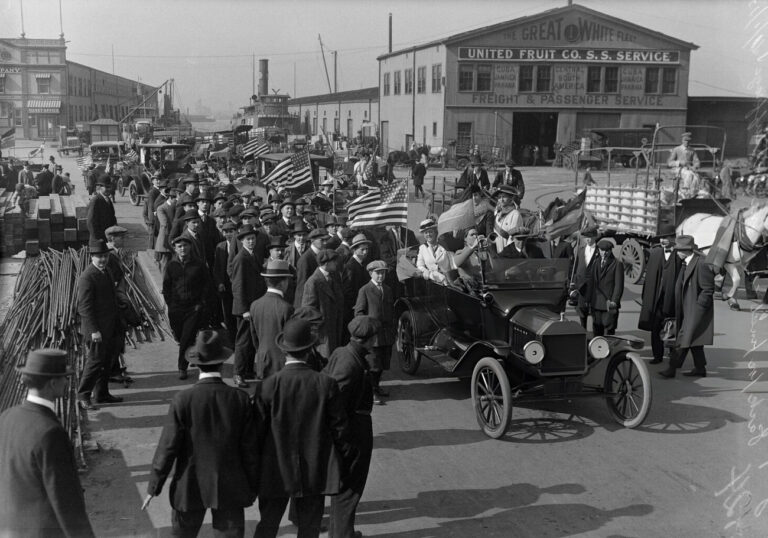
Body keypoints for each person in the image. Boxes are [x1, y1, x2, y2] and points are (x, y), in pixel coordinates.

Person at [143, 330, 259, 537]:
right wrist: (253, 484)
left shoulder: (183, 400)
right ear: (222, 364)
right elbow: (250, 448)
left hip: (189, 486)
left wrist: (154, 487)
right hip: (229, 485)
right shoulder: (240, 399)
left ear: (196, 364)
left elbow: (167, 447)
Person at [253, 318, 355, 538]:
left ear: (284, 351)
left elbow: (256, 433)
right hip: (315, 471)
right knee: (309, 528)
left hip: (275, 470)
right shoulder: (325, 384)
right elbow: (340, 430)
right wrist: (344, 461)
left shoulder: (268, 386)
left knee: (268, 525)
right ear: (310, 350)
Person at [0, 349, 96, 537]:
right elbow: (66, 502)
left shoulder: (7, 417)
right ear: (52, 383)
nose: (67, 382)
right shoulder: (51, 432)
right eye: (64, 378)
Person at [324, 317, 378, 538]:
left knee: (345, 488)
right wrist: (343, 439)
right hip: (354, 432)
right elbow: (335, 402)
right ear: (369, 340)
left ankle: (340, 532)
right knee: (350, 489)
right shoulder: (351, 365)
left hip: (352, 428)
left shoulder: (342, 352)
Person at [660, 235, 715, 378]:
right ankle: (700, 368)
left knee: (683, 338)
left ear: (685, 250)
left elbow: (708, 290)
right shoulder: (686, 262)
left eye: (678, 249)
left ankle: (672, 368)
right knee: (694, 339)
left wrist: (698, 310)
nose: (676, 252)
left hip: (695, 310)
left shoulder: (701, 263)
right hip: (686, 308)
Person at [77, 239, 123, 410]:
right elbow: (84, 308)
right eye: (99, 257)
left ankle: (102, 394)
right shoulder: (88, 277)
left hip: (110, 326)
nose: (103, 259)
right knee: (95, 362)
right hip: (96, 330)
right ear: (92, 257)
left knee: (107, 361)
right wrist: (94, 330)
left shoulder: (107, 271)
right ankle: (83, 395)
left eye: (105, 256)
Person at [163, 235, 211, 380]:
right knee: (179, 335)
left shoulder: (199, 264)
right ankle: (191, 352)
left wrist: (200, 304)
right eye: (179, 246)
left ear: (190, 247)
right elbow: (166, 286)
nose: (183, 249)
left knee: (186, 337)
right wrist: (170, 304)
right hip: (176, 308)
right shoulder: (171, 265)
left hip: (193, 308)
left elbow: (207, 285)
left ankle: (181, 367)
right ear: (175, 249)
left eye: (185, 246)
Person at [230, 224, 267, 387]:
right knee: (243, 341)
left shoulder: (253, 255)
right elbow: (237, 286)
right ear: (242, 241)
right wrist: (244, 310)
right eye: (248, 239)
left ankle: (248, 369)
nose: (251, 241)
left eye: (253, 239)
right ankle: (238, 373)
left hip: (254, 306)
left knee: (252, 340)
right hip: (245, 308)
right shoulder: (241, 258)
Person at [354, 260, 395, 404]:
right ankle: (371, 392)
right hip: (373, 336)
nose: (381, 276)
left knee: (383, 363)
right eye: (378, 273)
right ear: (371, 273)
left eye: (383, 273)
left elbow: (391, 311)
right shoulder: (365, 290)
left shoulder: (388, 289)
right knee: (373, 365)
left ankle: (377, 387)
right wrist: (365, 330)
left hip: (386, 334)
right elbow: (359, 312)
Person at [638, 224, 680, 365]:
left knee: (672, 328)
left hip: (672, 299)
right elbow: (648, 278)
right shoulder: (655, 254)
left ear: (673, 238)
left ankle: (673, 356)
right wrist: (645, 297)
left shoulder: (679, 255)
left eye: (666, 238)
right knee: (655, 328)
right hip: (655, 299)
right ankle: (657, 355)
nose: (663, 241)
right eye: (661, 238)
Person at [249, 259, 295, 379]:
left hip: (263, 361)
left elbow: (254, 337)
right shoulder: (286, 308)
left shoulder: (255, 305)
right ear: (282, 283)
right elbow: (289, 340)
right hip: (282, 363)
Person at [302, 249, 345, 361]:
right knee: (325, 363)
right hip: (322, 334)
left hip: (335, 328)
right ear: (326, 263)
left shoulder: (334, 277)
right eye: (334, 261)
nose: (336, 264)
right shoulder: (313, 282)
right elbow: (308, 311)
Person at [586, 239, 624, 336]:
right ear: (599, 250)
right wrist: (588, 299)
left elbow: (618, 285)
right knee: (597, 333)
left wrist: (614, 301)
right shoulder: (595, 262)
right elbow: (591, 282)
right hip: (596, 304)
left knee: (608, 333)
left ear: (611, 250)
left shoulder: (617, 264)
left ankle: (609, 351)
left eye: (607, 250)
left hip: (609, 305)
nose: (605, 253)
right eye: (602, 250)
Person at [214, 222, 237, 345]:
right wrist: (219, 282)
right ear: (223, 233)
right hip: (225, 286)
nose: (229, 234)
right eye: (226, 232)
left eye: (231, 231)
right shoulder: (220, 247)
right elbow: (217, 267)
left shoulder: (239, 246)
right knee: (227, 314)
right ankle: (231, 340)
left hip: (236, 286)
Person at [571, 227, 600, 329]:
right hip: (581, 287)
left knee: (595, 313)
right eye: (586, 237)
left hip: (595, 287)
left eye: (590, 237)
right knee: (582, 312)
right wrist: (574, 284)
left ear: (595, 237)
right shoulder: (580, 250)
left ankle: (597, 336)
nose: (588, 239)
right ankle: (583, 331)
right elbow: (576, 268)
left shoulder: (599, 252)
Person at [342, 233, 371, 331]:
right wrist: (356, 305)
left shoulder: (363, 264)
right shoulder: (350, 266)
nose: (365, 252)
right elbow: (347, 290)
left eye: (366, 249)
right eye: (362, 249)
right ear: (354, 250)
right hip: (353, 309)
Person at [294, 228, 329, 308]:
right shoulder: (305, 260)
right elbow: (302, 286)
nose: (325, 243)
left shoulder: (322, 254)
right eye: (322, 240)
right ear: (312, 240)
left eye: (326, 240)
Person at [416, 218, 453, 284]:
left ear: (435, 232)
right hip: (433, 283)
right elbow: (420, 266)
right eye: (426, 233)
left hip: (449, 282)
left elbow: (452, 263)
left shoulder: (444, 245)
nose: (428, 234)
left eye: (430, 231)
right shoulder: (422, 248)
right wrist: (428, 273)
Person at [667, 132, 701, 199]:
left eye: (688, 141)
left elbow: (697, 161)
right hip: (677, 170)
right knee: (688, 175)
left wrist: (694, 167)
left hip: (688, 169)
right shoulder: (677, 149)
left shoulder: (692, 150)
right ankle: (686, 192)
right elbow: (669, 163)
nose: (687, 142)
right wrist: (679, 162)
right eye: (685, 140)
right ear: (682, 140)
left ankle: (693, 194)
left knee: (696, 177)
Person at [491, 185, 523, 252]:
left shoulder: (515, 214)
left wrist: (505, 254)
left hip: (509, 255)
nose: (501, 199)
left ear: (511, 198)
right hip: (498, 253)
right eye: (499, 197)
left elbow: (513, 238)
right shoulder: (497, 213)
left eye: (504, 197)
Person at [86, 177, 117, 242]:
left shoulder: (108, 199)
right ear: (100, 188)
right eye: (107, 187)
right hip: (97, 241)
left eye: (110, 187)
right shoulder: (95, 201)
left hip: (107, 237)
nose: (109, 189)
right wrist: (98, 238)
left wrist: (115, 228)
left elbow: (112, 216)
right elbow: (90, 222)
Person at [155, 183, 176, 270]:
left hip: (171, 239)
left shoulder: (175, 207)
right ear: (171, 198)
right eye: (176, 199)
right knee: (165, 264)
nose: (177, 201)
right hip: (165, 240)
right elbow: (164, 224)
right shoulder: (161, 208)